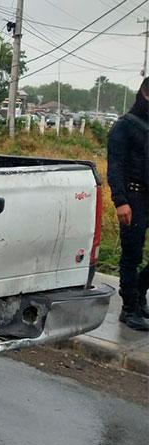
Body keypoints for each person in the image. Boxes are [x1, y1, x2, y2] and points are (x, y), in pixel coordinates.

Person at [107, 76, 149, 330]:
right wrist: (121, 201)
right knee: (131, 256)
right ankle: (129, 309)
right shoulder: (124, 126)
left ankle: (139, 292)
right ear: (145, 93)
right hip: (133, 199)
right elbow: (115, 168)